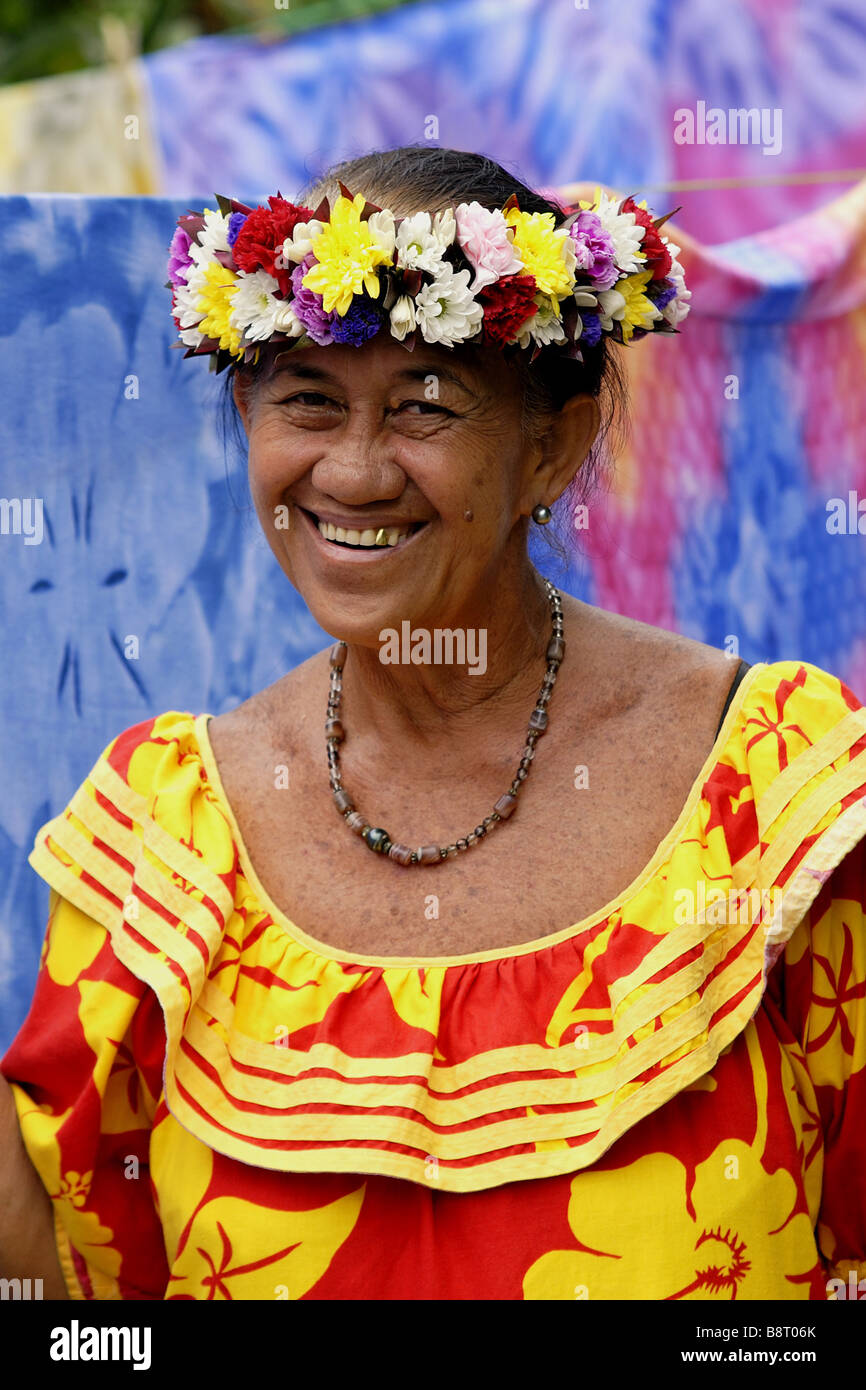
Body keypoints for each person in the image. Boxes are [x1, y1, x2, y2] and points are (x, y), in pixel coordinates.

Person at [1, 145, 865, 1301]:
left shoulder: (777, 796)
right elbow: (78, 1285)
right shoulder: (162, 844)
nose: (354, 473)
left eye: (424, 405)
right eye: (308, 398)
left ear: (549, 449)